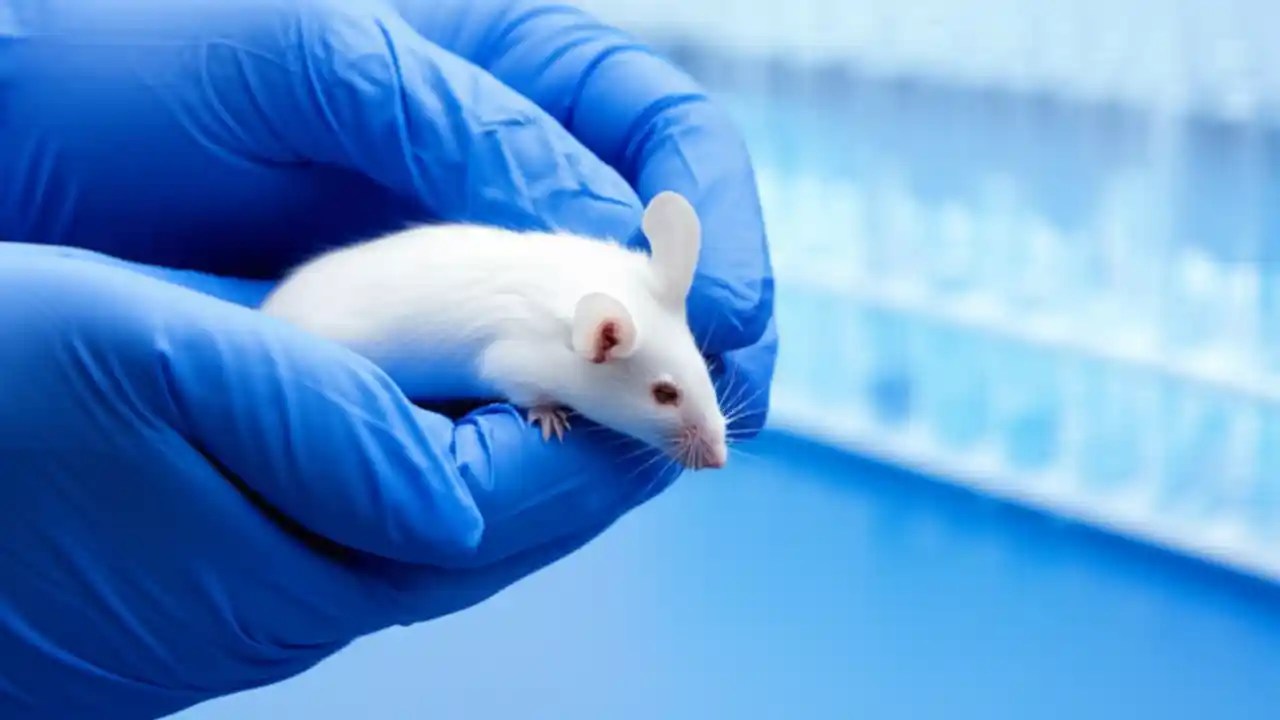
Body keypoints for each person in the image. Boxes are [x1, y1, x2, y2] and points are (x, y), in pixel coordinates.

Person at [0, 0, 776, 716]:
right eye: (674, 399)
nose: (705, 442)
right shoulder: (575, 340)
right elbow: (509, 365)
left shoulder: (629, 298)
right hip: (319, 327)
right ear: (600, 341)